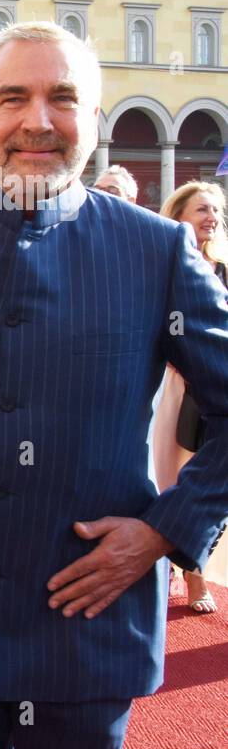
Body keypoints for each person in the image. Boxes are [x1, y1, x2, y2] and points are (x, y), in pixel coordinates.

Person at [0, 22, 228, 749]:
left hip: (89, 631)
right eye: (12, 98)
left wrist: (162, 534)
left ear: (95, 122)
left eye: (63, 98)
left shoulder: (156, 250)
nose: (37, 121)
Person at [153, 181, 227, 613]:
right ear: (179, 214)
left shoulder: (223, 268)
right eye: (202, 208)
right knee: (176, 478)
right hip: (177, 387)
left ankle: (197, 565)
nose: (212, 217)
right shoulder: (163, 265)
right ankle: (187, 574)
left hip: (217, 385)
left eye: (216, 209)